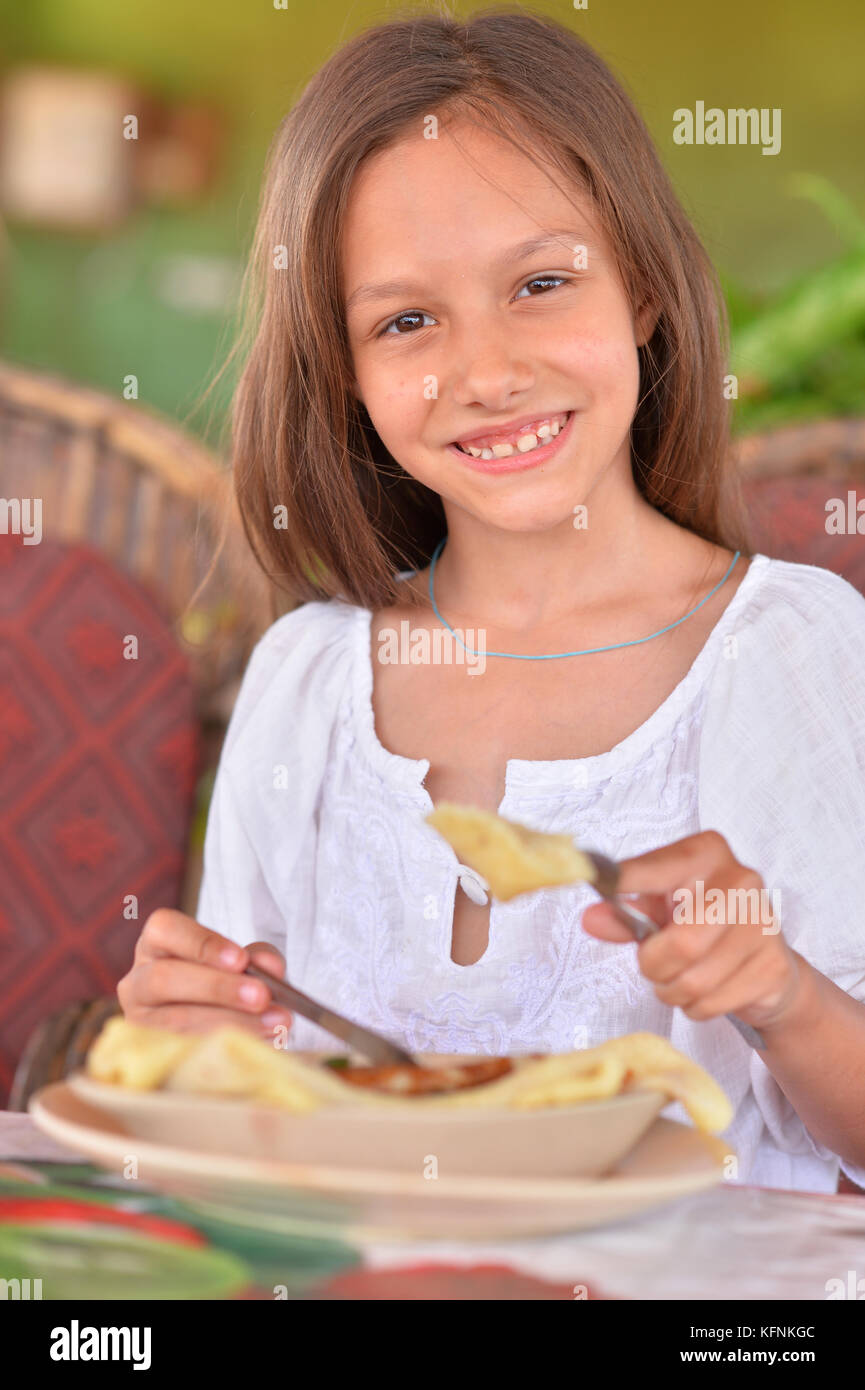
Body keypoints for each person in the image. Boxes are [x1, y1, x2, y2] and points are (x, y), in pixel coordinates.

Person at [118, 8, 865, 1192]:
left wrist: (779, 990)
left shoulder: (790, 654)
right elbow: (250, 1116)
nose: (485, 372)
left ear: (644, 296)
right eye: (406, 320)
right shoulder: (307, 680)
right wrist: (194, 1043)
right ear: (347, 374)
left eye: (540, 282)